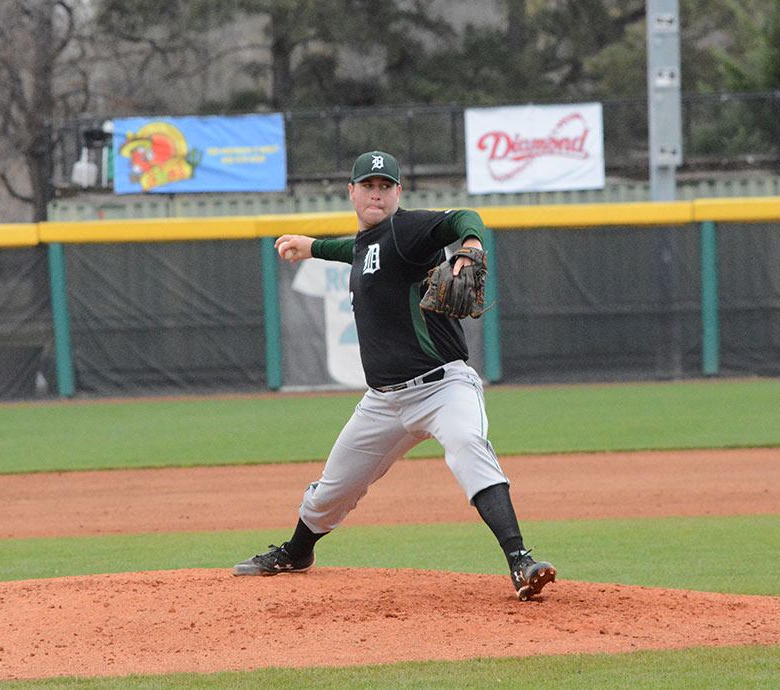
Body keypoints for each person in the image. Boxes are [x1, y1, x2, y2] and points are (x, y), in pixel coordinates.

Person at [233, 151, 556, 601]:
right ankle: (298, 552)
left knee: (468, 446)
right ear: (352, 192)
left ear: (398, 193)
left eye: (386, 186)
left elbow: (465, 216)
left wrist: (472, 245)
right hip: (382, 401)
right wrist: (310, 247)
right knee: (333, 489)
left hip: (443, 387)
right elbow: (353, 250)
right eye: (368, 185)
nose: (377, 194)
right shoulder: (368, 243)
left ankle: (520, 561)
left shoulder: (407, 230)